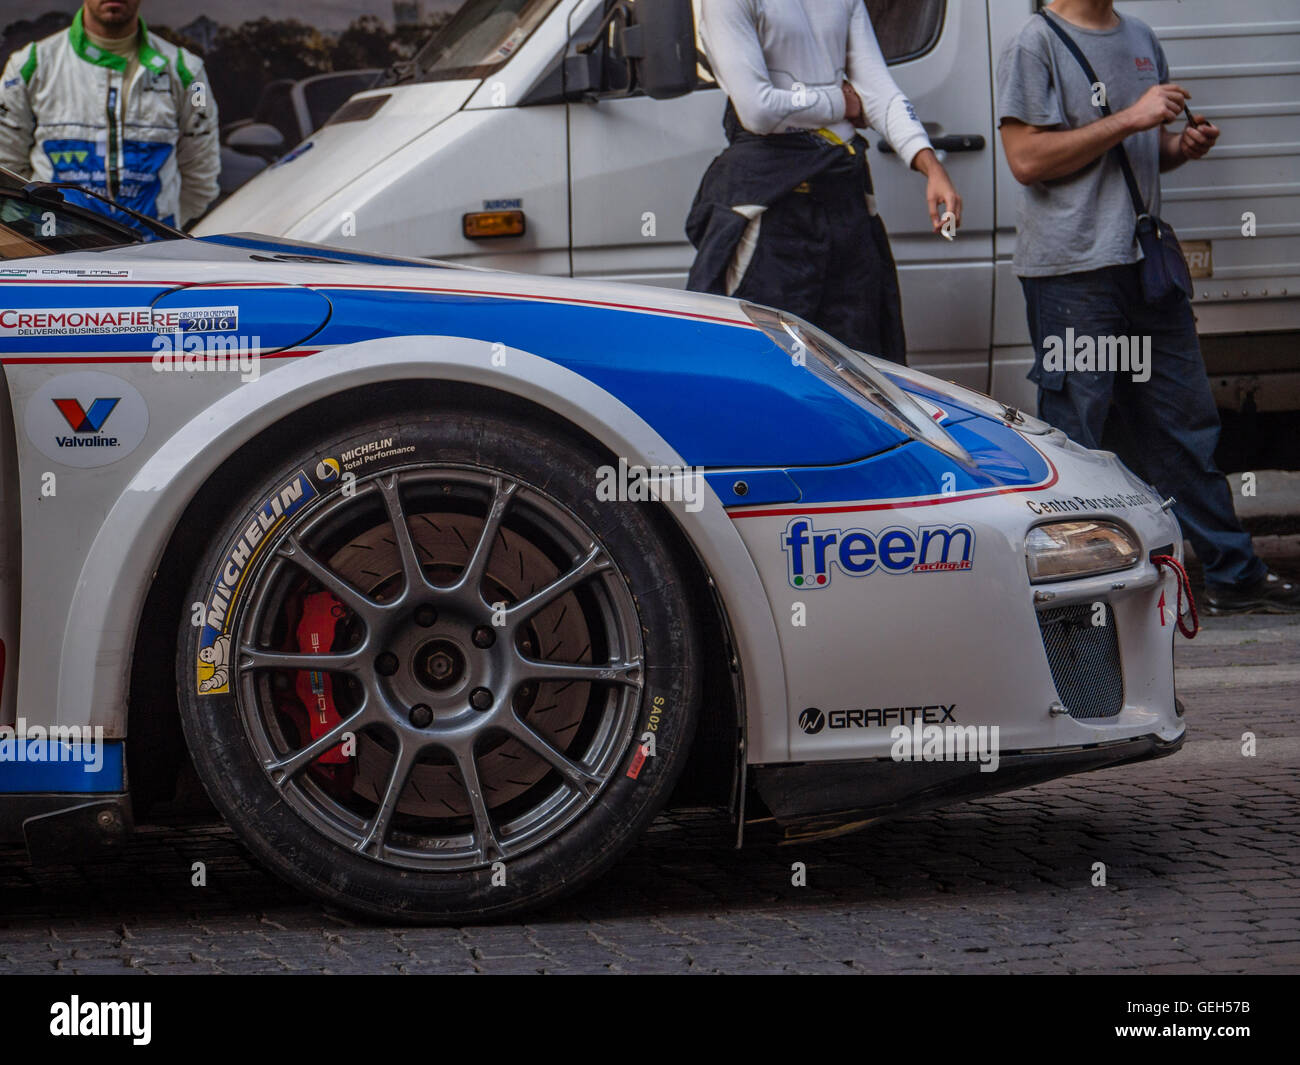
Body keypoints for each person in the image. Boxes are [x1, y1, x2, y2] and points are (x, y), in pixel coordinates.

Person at [997, 0, 1300, 613]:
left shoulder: (1139, 37)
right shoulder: (1035, 42)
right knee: (1078, 432)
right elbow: (1026, 160)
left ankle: (1233, 576)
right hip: (1072, 275)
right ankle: (1073, 590)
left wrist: (1179, 147)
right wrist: (1133, 118)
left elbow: (1138, 152)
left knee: (1184, 427)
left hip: (1145, 272)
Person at [685, 0, 962, 364]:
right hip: (773, 212)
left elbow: (879, 92)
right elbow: (758, 110)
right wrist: (840, 101)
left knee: (861, 368)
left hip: (844, 205)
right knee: (768, 367)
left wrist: (930, 165)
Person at [0, 0, 219, 229]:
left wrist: (161, 226)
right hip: (58, 249)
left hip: (153, 253)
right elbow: (7, 169)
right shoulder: (29, 65)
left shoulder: (188, 73)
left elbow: (201, 176)